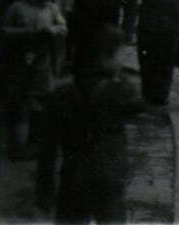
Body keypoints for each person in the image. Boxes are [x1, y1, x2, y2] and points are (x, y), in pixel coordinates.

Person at [37, 24, 144, 224]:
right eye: (118, 56)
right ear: (105, 58)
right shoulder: (119, 91)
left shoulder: (60, 94)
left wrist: (44, 189)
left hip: (73, 176)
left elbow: (47, 149)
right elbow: (138, 105)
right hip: (108, 176)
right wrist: (119, 78)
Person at [0, 0, 67, 159]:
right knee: (16, 100)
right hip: (18, 61)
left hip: (42, 61)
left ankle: (34, 142)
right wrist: (29, 32)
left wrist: (54, 30)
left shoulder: (52, 9)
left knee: (39, 101)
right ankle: (14, 144)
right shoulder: (17, 8)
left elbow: (63, 28)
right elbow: (4, 31)